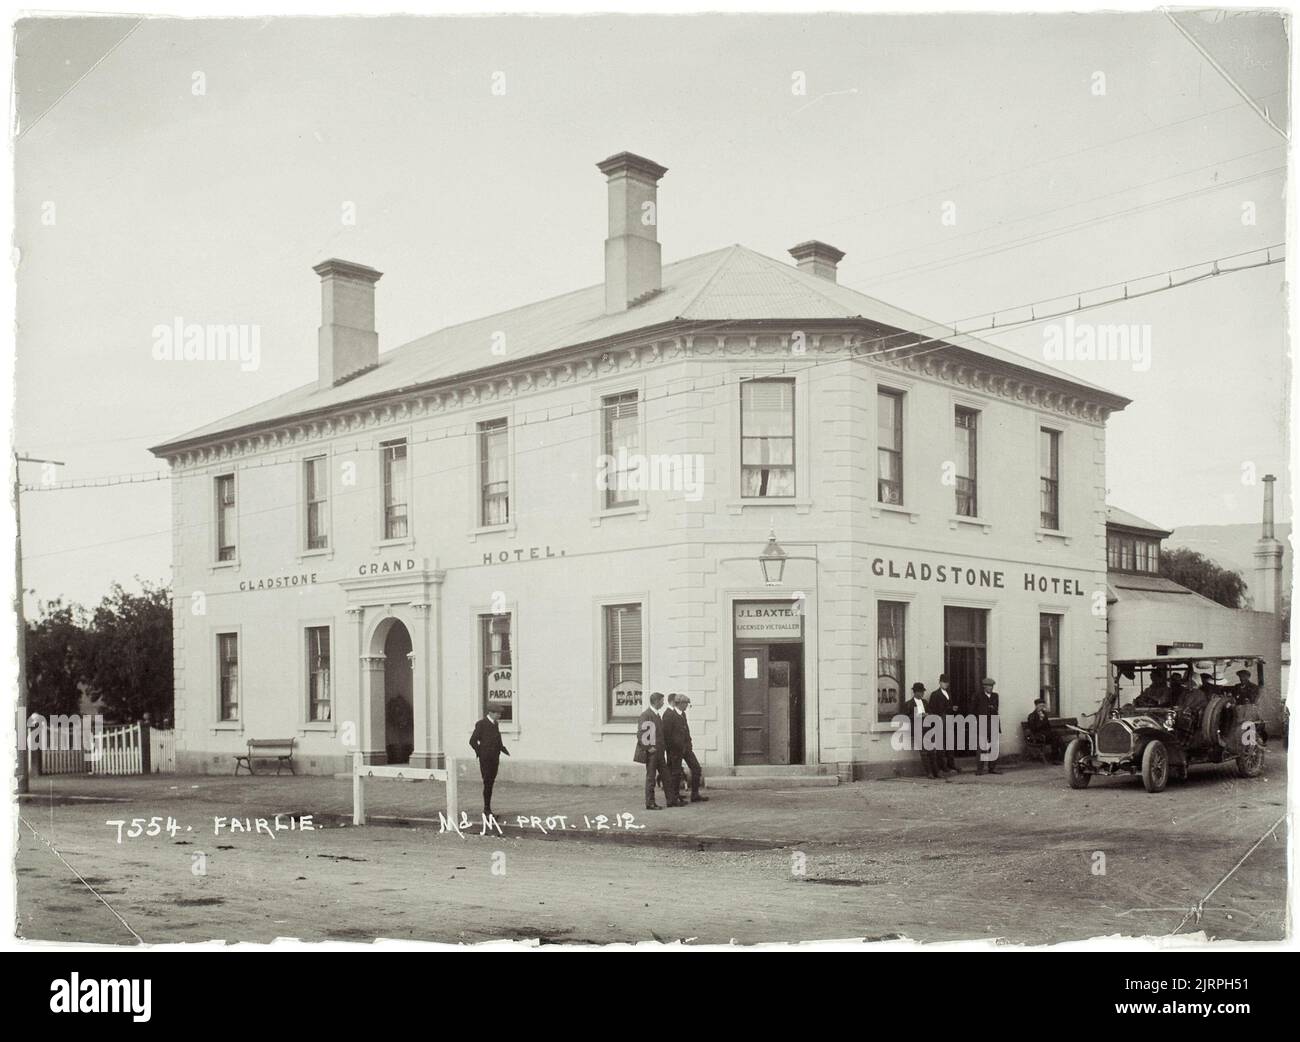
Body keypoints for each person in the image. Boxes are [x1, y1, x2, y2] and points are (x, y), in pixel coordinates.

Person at [468, 706, 510, 818]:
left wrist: (502, 748)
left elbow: (497, 738)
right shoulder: (481, 724)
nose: (499, 716)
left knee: (490, 783)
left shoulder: (495, 724)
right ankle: (487, 810)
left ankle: (488, 809)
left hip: (495, 758)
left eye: (500, 714)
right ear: (491, 713)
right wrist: (480, 752)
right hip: (486, 759)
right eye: (498, 713)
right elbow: (472, 741)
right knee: (487, 783)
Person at [633, 692, 668, 811]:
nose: (663, 703)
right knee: (651, 778)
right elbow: (641, 734)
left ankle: (671, 800)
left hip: (659, 752)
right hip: (652, 753)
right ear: (656, 701)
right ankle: (650, 803)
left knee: (666, 776)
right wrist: (648, 748)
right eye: (662, 701)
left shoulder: (656, 715)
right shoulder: (646, 715)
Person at [908, 682, 945, 781]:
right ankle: (929, 772)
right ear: (915, 692)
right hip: (918, 730)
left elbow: (931, 712)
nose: (922, 694)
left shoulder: (925, 702)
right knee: (924, 753)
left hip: (928, 730)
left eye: (922, 692)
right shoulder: (909, 704)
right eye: (920, 692)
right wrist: (918, 716)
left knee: (932, 752)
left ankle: (936, 772)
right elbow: (906, 717)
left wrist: (928, 714)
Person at [676, 695, 708, 802]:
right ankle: (675, 796)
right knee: (675, 772)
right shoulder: (671, 715)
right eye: (686, 704)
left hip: (686, 749)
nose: (687, 706)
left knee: (696, 769)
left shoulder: (683, 714)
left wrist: (689, 744)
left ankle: (695, 794)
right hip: (677, 749)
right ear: (680, 703)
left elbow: (686, 732)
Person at [660, 693, 688, 807]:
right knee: (674, 773)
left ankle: (675, 796)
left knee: (676, 773)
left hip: (677, 749)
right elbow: (667, 734)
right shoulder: (669, 714)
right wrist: (672, 749)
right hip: (673, 750)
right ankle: (673, 799)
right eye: (684, 704)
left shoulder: (676, 714)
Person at [929, 674, 960, 774]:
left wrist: (953, 709)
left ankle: (951, 764)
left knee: (950, 743)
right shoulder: (935, 694)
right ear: (939, 682)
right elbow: (933, 709)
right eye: (943, 682)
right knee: (940, 745)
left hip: (949, 720)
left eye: (947, 682)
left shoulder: (948, 693)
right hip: (940, 721)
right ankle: (942, 766)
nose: (945, 684)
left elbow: (949, 707)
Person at [972, 677, 1001, 775]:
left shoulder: (995, 696)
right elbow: (973, 710)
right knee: (982, 747)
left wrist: (993, 708)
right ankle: (980, 769)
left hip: (993, 722)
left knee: (994, 747)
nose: (991, 688)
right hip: (982, 723)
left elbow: (996, 708)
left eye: (992, 686)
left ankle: (992, 768)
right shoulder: (977, 696)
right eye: (989, 686)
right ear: (984, 687)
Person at [1025, 697, 1059, 763]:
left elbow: (1048, 726)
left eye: (1043, 705)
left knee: (1057, 736)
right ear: (1036, 706)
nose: (1042, 707)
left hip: (1045, 735)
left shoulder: (1044, 714)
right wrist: (1041, 720)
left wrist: (1043, 719)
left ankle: (1058, 757)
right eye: (1040, 706)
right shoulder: (1032, 716)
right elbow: (1033, 729)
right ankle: (1056, 758)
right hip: (1037, 736)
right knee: (1056, 737)